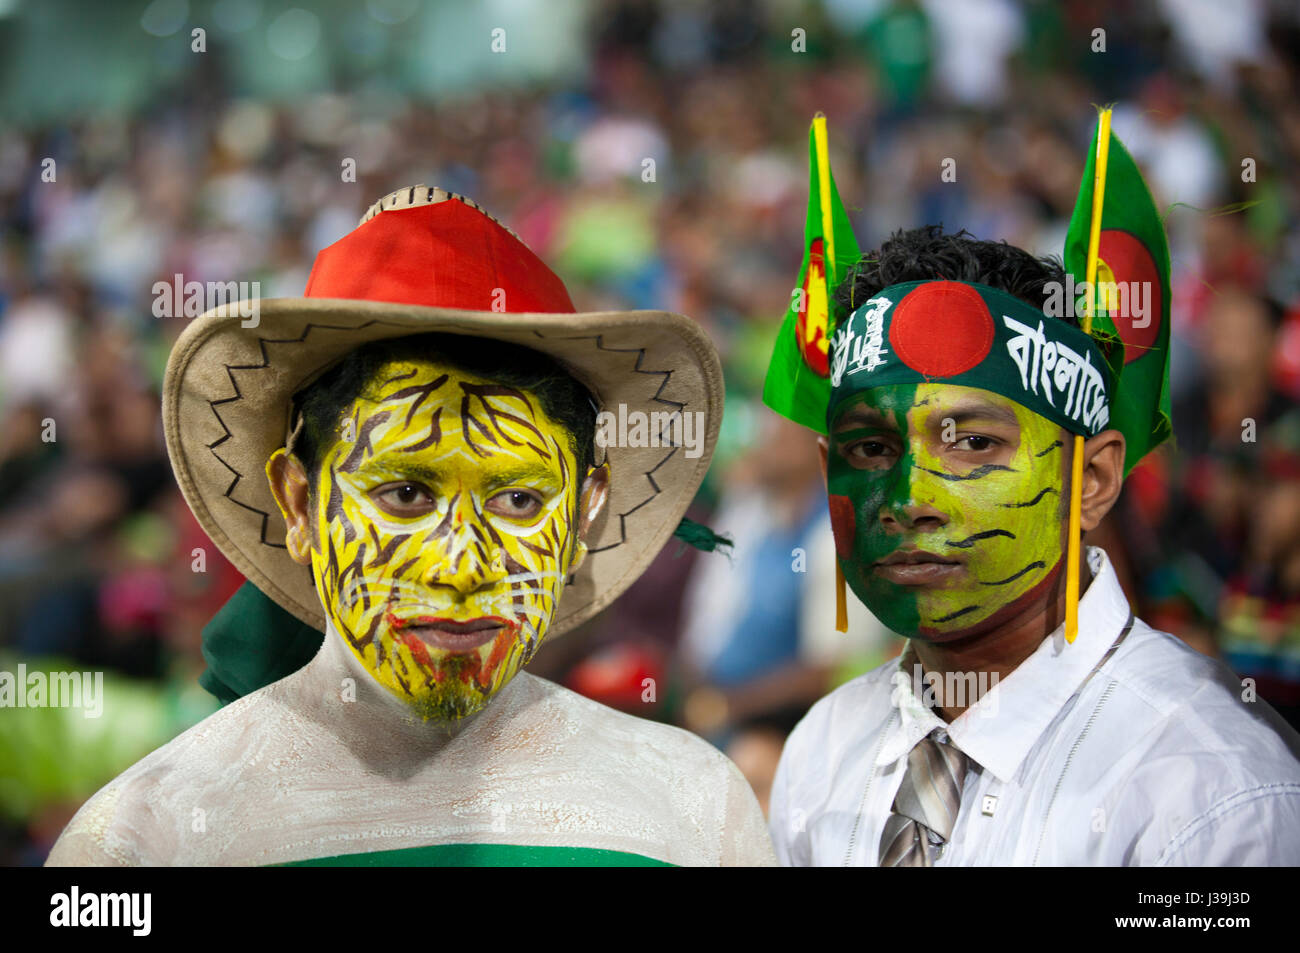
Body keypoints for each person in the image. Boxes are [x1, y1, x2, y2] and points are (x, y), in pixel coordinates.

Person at [46, 186, 775, 867]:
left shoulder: (694, 809)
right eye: (403, 494)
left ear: (587, 510)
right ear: (298, 503)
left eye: (520, 501)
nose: (462, 568)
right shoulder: (148, 838)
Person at [766, 225, 1300, 865]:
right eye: (872, 448)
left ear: (1092, 481)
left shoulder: (1212, 792)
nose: (908, 500)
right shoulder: (821, 751)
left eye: (973, 443)